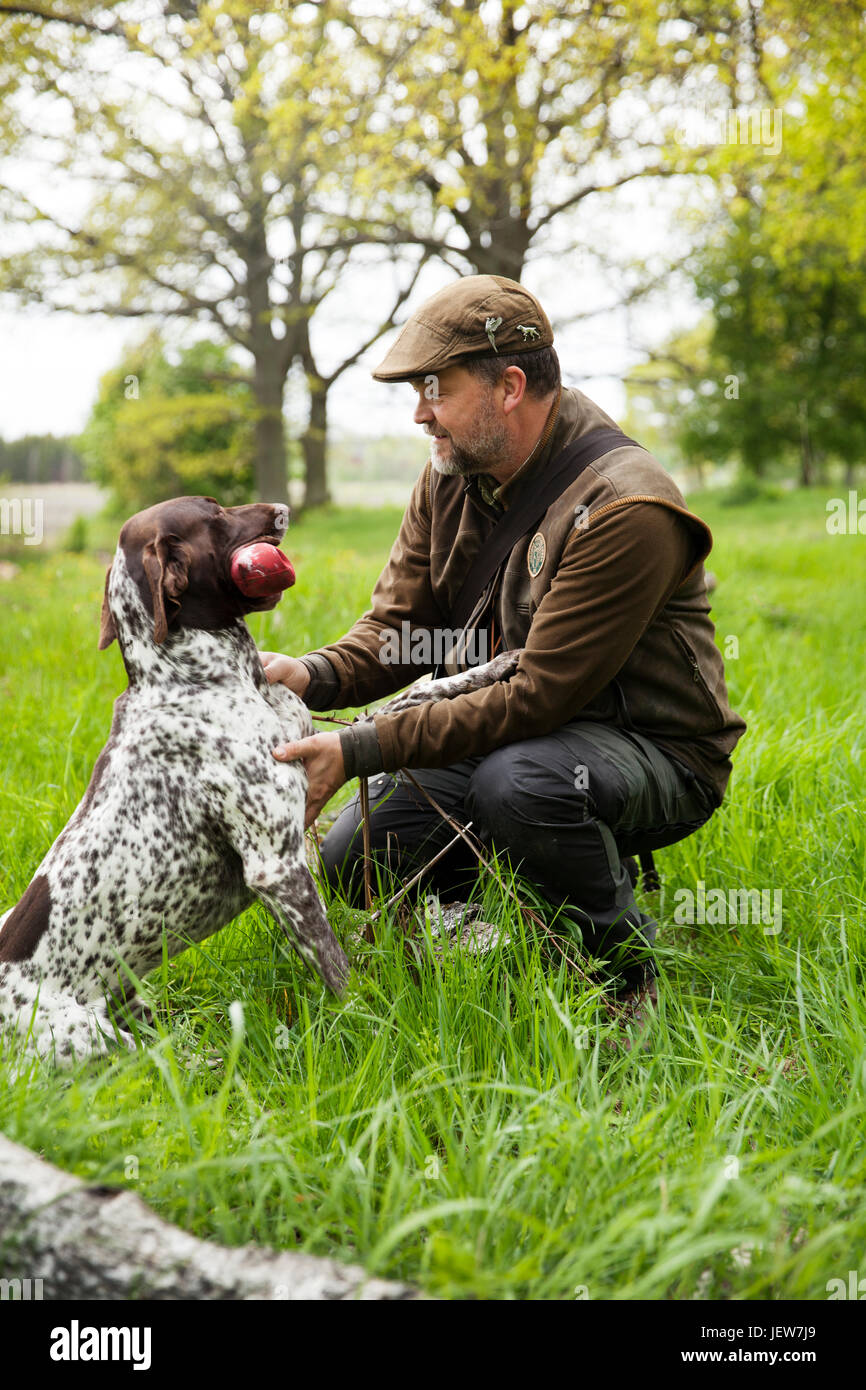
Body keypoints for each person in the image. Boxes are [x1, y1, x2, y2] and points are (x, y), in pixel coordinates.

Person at [261, 274, 746, 1000]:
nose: (421, 416)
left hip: (651, 751)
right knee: (359, 856)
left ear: (510, 386)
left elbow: (538, 698)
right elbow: (402, 629)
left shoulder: (625, 505)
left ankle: (622, 978)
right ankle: (513, 910)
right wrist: (311, 674)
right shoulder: (452, 473)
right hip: (509, 735)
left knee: (523, 785)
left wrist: (359, 748)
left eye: (435, 390)